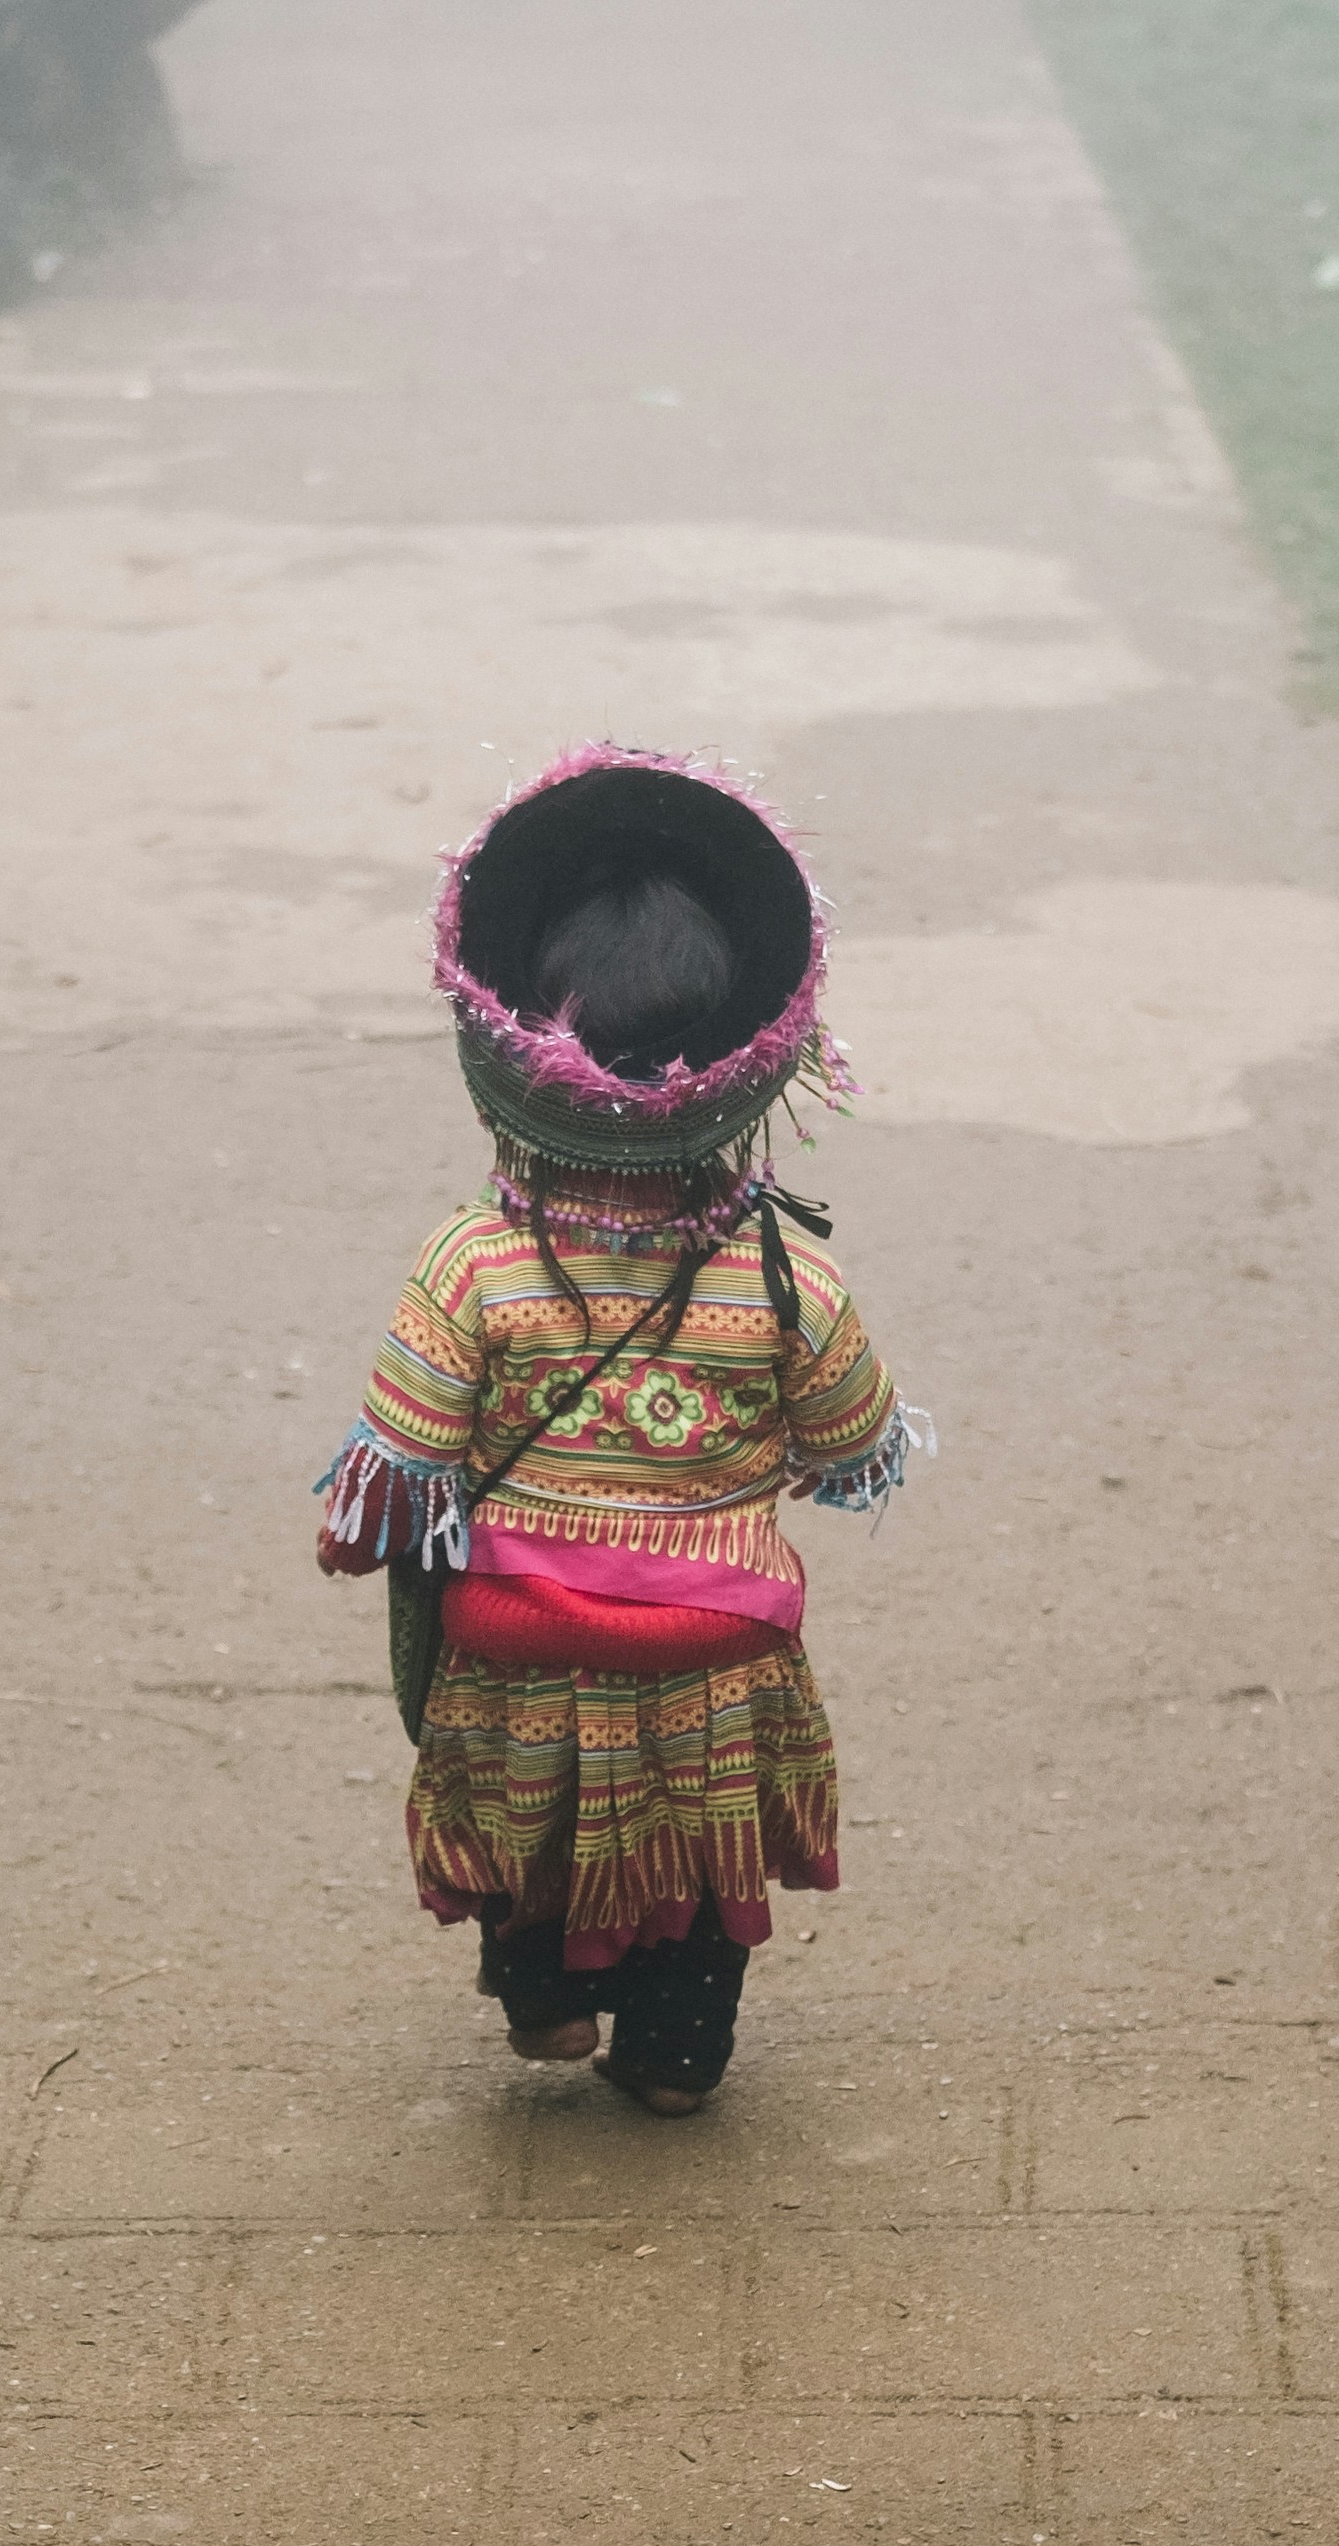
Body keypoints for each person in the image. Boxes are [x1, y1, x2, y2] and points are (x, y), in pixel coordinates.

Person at [314, 744, 926, 2115]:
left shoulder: (472, 1262)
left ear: (519, 1056)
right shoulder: (784, 1274)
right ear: (743, 1073)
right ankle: (674, 2051)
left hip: (516, 1639)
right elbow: (854, 1437)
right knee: (702, 1866)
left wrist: (361, 1539)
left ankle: (543, 2002)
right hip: (717, 1653)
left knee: (523, 1827)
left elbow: (398, 1465)